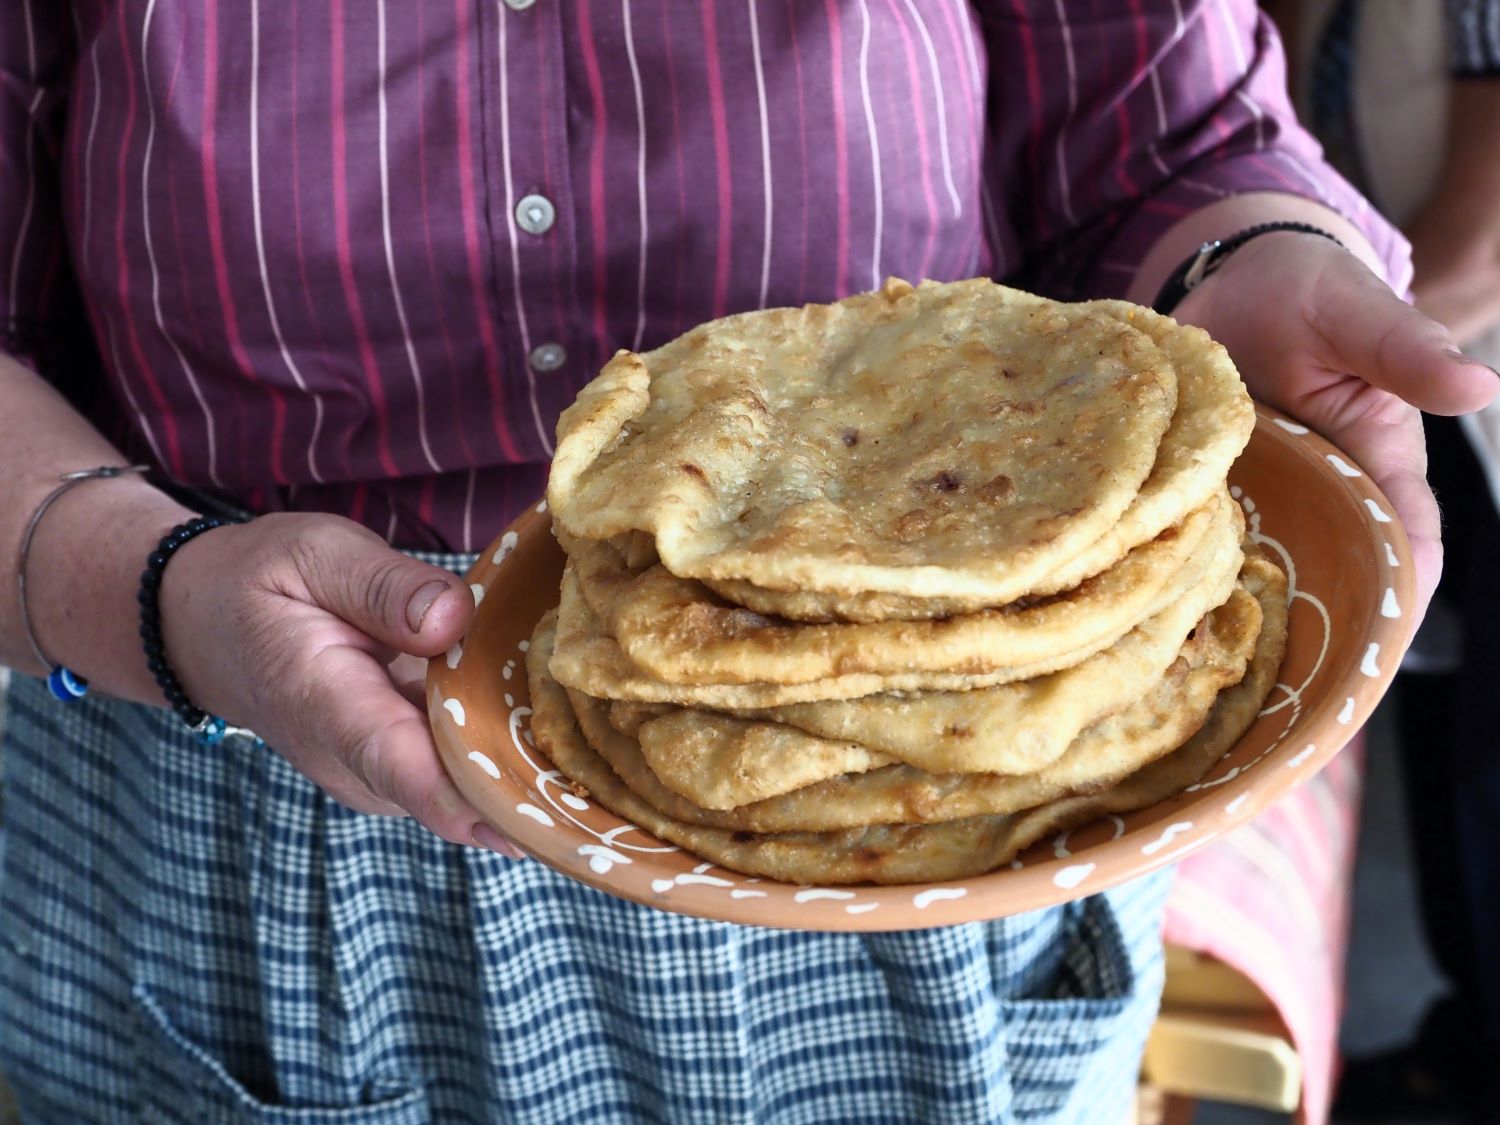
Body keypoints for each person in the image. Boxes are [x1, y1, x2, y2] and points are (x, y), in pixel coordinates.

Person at [0, 2, 1491, 1121]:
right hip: (267, 847)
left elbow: (1169, 141)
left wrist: (1254, 254)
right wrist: (162, 589)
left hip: (969, 819)